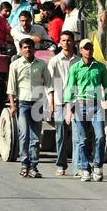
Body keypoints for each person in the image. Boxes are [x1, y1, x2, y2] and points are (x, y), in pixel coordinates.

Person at [63, 39, 107, 182]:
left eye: (90, 48)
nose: (88, 51)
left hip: (96, 106)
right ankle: (85, 168)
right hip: (80, 105)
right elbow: (70, 89)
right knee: (82, 140)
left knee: (100, 136)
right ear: (81, 51)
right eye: (86, 48)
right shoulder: (75, 68)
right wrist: (68, 111)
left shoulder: (100, 67)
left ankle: (98, 166)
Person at [8, 37, 50, 178]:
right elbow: (11, 87)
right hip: (23, 104)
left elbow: (49, 84)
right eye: (25, 47)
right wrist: (13, 105)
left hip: (37, 104)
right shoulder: (15, 65)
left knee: (35, 138)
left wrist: (50, 102)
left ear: (34, 49)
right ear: (21, 49)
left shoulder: (41, 64)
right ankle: (24, 165)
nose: (27, 50)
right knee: (24, 135)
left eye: (30, 47)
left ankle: (33, 166)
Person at [47, 31, 83, 176]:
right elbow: (49, 84)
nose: (66, 43)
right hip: (60, 102)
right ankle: (61, 165)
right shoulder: (54, 61)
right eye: (63, 40)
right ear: (59, 43)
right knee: (60, 134)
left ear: (73, 42)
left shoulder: (79, 61)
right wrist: (51, 101)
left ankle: (77, 167)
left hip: (77, 102)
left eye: (69, 40)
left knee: (77, 135)